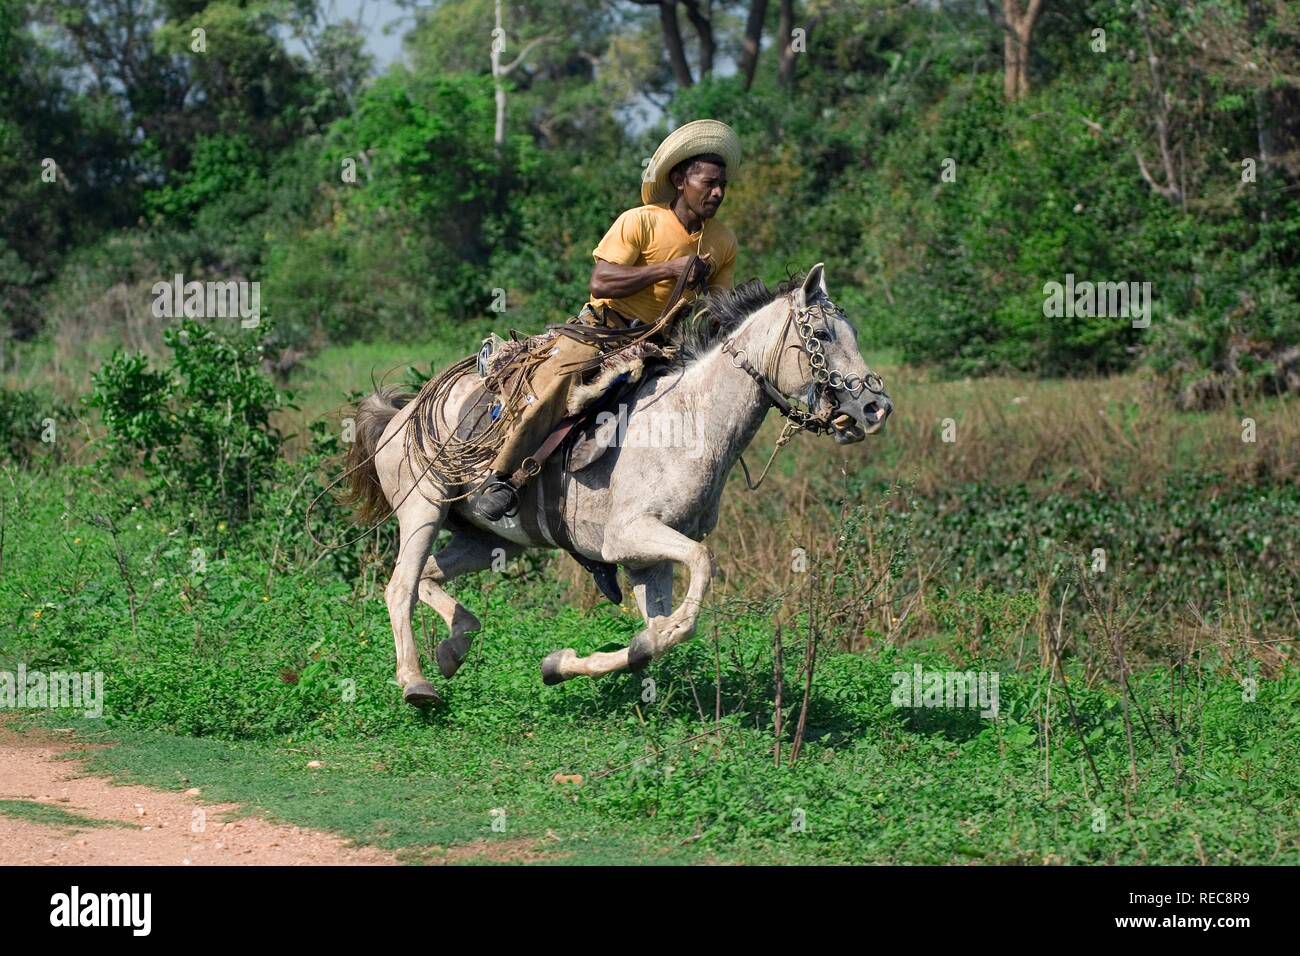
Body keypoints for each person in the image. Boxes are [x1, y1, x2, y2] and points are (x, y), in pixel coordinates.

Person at [472, 118, 741, 522]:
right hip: (602, 331)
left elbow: (720, 308)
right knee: (555, 384)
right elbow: (602, 280)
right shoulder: (640, 221)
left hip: (661, 344)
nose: (718, 192)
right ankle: (502, 476)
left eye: (722, 184)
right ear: (681, 180)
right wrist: (670, 270)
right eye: (708, 183)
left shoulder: (723, 240)